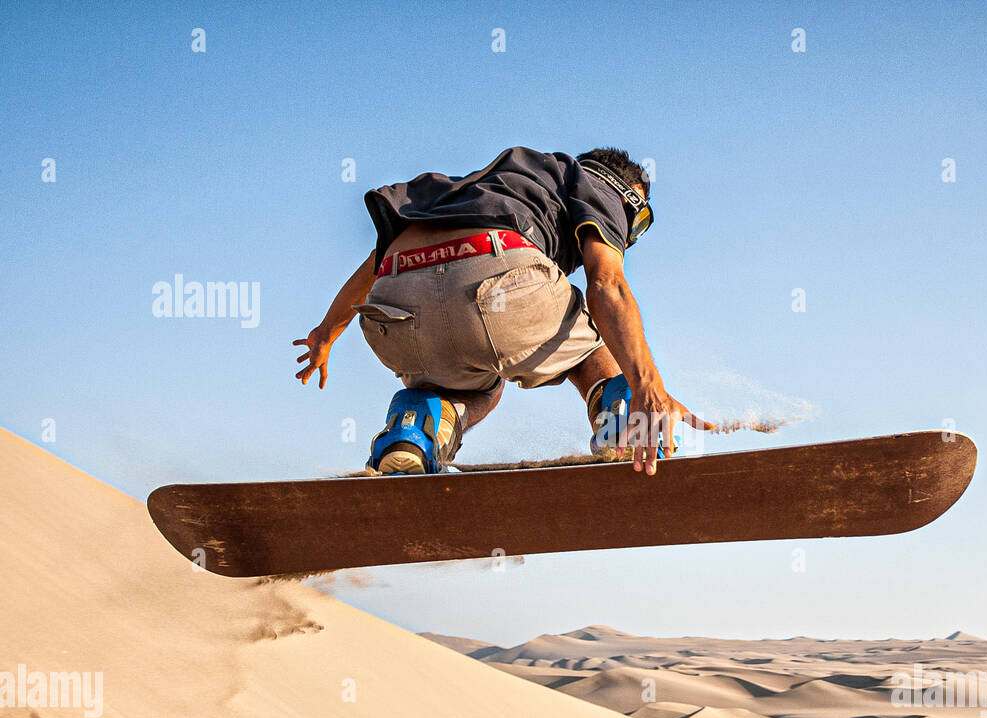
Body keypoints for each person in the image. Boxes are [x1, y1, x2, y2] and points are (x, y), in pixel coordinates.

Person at [294, 145, 711, 477]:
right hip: (495, 270)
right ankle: (623, 426)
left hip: (393, 305)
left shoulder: (486, 185)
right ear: (632, 206)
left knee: (478, 385)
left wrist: (327, 333)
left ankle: (417, 428)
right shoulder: (600, 188)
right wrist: (646, 384)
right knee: (593, 347)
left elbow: (375, 262)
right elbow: (607, 284)